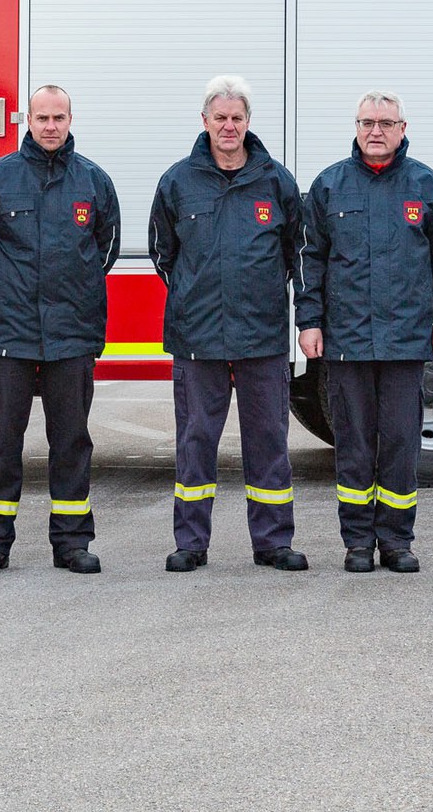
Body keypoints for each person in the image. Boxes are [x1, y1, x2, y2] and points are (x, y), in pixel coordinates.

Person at [297, 90, 433, 574]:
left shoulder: (426, 185)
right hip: (346, 343)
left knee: (399, 443)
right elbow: (310, 260)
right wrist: (309, 321)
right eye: (368, 122)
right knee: (353, 444)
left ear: (402, 129)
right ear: (355, 126)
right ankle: (356, 543)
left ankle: (396, 541)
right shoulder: (330, 186)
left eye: (386, 123)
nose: (376, 131)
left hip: (405, 342)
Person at [0, 85, 121, 576]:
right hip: (10, 333)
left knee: (71, 440)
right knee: (2, 442)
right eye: (42, 117)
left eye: (59, 117)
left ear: (72, 119)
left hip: (72, 334)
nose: (51, 126)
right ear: (26, 119)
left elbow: (104, 249)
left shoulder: (93, 181)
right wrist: (9, 287)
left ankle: (72, 544)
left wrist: (72, 289)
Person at [148, 76, 308, 573]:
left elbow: (294, 253)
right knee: (196, 442)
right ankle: (191, 543)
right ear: (205, 122)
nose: (229, 126)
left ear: (248, 122)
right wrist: (199, 293)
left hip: (261, 338)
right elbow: (162, 253)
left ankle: (273, 543)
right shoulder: (178, 181)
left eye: (237, 118)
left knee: (268, 442)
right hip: (198, 338)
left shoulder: (275, 181)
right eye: (220, 118)